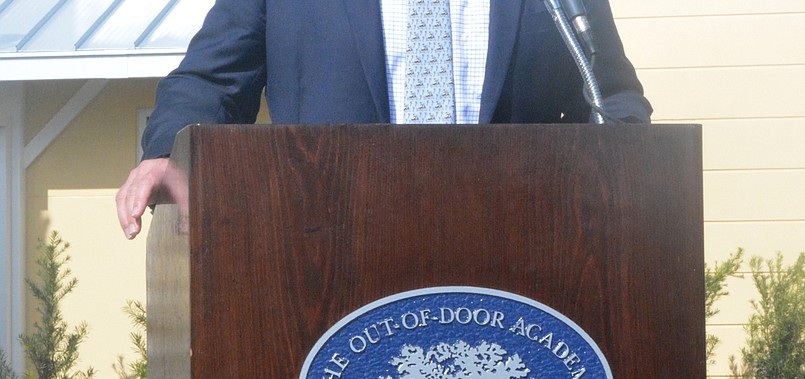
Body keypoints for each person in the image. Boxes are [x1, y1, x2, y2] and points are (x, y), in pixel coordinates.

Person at [116, 0, 651, 239]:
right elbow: (212, 80)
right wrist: (167, 152)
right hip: (327, 250)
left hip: (518, 253)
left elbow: (612, 95)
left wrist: (634, 184)